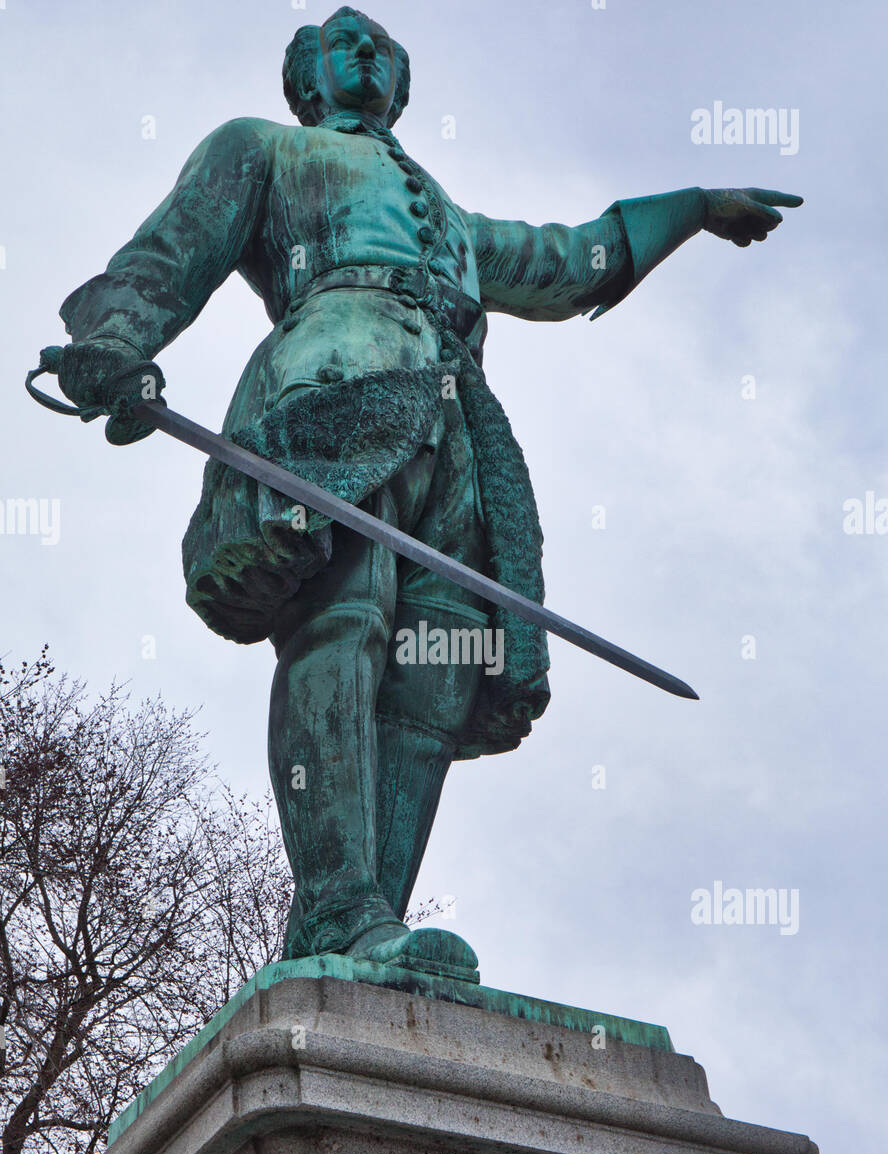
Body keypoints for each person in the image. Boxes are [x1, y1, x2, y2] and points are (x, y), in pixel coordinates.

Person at [55, 7, 802, 982]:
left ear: (402, 89)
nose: (368, 52)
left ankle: (374, 925)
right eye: (345, 42)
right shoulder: (264, 149)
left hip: (457, 437)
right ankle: (338, 904)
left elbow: (568, 261)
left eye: (384, 50)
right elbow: (170, 253)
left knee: (435, 675)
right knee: (345, 620)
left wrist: (693, 207)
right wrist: (116, 342)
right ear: (308, 79)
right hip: (332, 398)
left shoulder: (451, 219)